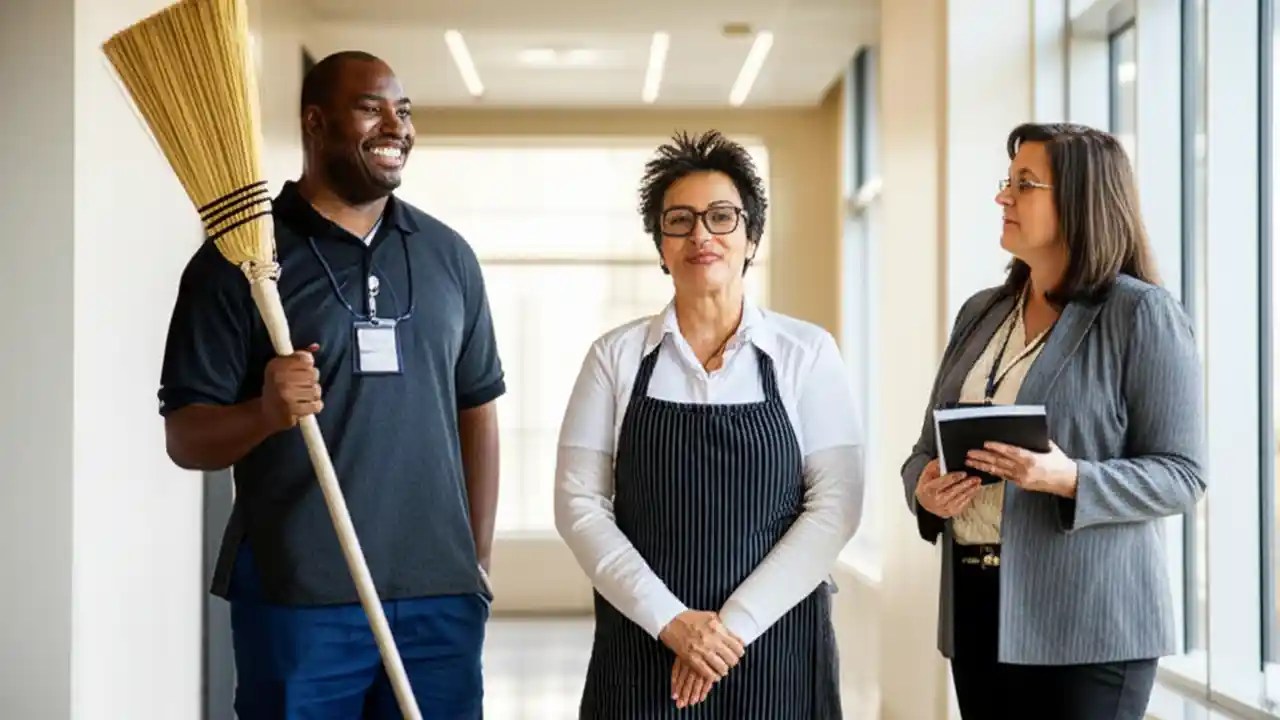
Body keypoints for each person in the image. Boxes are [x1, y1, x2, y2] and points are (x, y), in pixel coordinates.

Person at [157, 51, 505, 719]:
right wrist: (265, 412)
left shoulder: (447, 256)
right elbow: (185, 436)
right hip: (299, 600)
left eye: (403, 111)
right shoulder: (239, 263)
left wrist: (476, 564)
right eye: (371, 108)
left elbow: (478, 409)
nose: (395, 126)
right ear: (314, 122)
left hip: (440, 602)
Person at [554, 129, 865, 719]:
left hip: (776, 644)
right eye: (680, 220)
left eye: (722, 217)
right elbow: (578, 505)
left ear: (750, 237)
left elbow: (836, 508)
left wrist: (730, 628)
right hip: (643, 642)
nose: (701, 234)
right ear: (661, 245)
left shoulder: (808, 353)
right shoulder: (614, 358)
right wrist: (671, 622)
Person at [900, 122, 1206, 720]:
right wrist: (925, 489)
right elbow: (921, 450)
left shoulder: (1141, 314)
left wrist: (1067, 478)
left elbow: (1183, 473)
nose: (1002, 198)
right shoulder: (981, 312)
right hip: (979, 612)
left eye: (1025, 184)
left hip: (1090, 625)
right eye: (1006, 182)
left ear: (1079, 201)